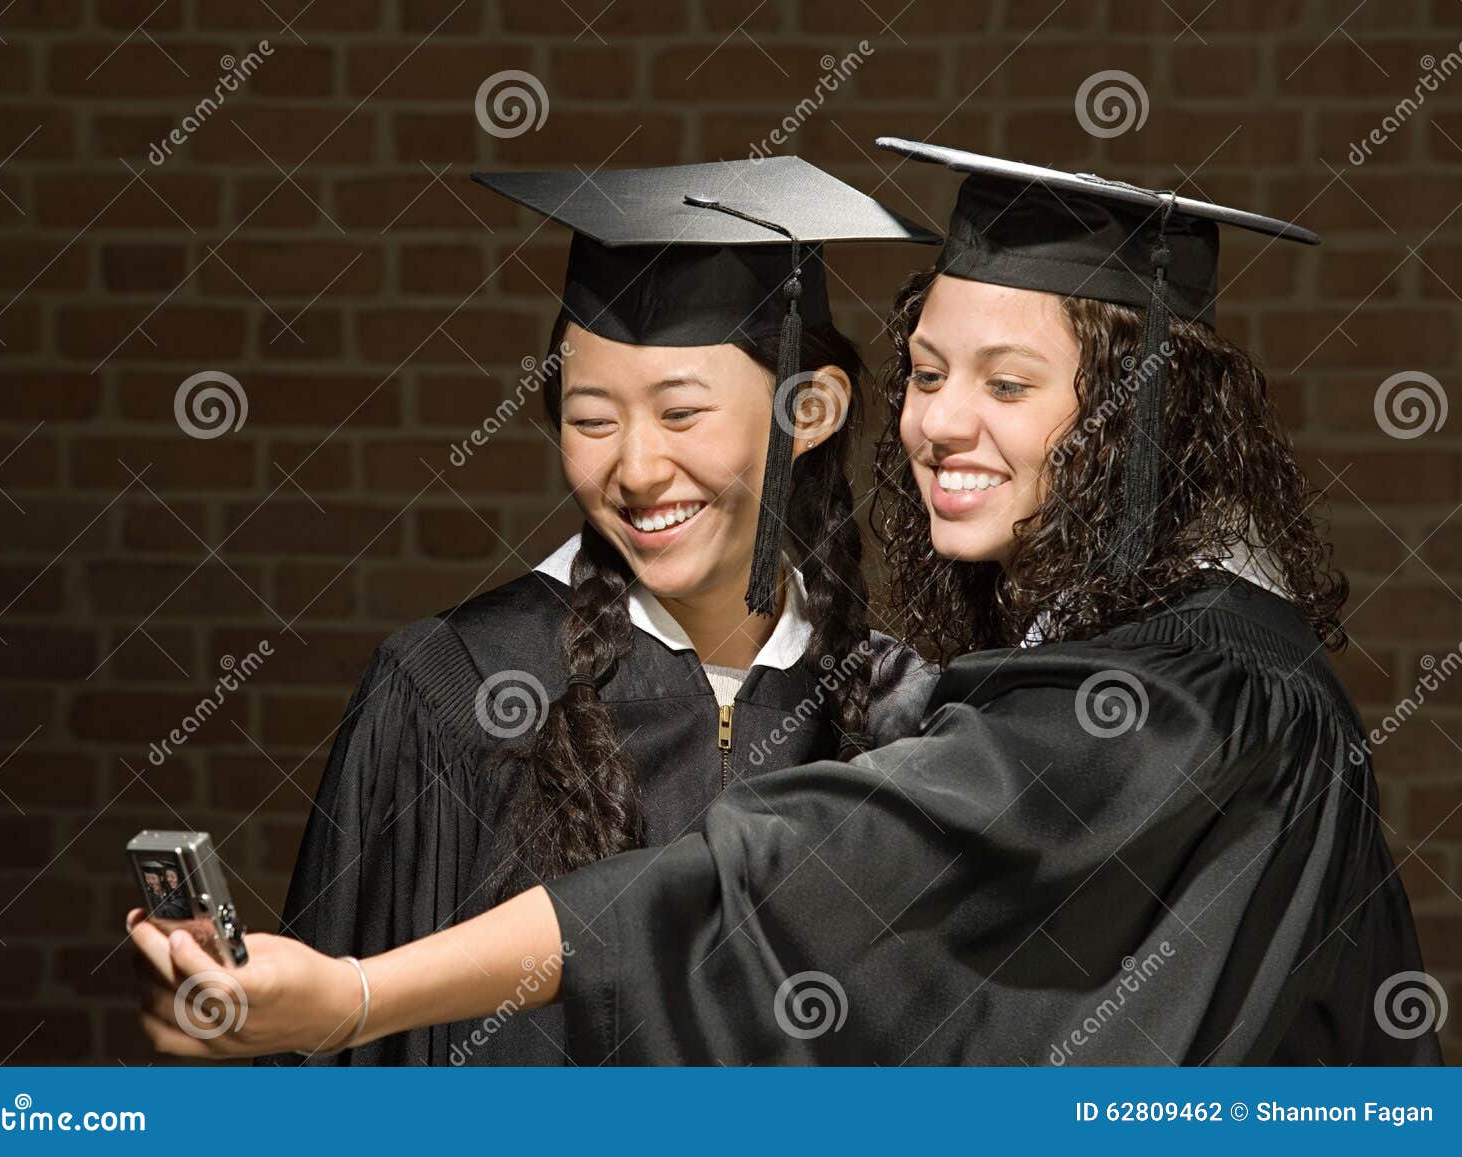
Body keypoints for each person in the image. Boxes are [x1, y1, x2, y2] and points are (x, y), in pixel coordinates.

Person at [130, 144, 1442, 1066]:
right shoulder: (444, 688)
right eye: (928, 372)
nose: (942, 423)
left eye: (1007, 383)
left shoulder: (1181, 694)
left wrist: (360, 993)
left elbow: (804, 875)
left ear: (1136, 419)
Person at [250, 157, 941, 1065]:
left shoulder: (899, 713)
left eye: (681, 412)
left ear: (808, 410)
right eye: (591, 418)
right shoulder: (457, 690)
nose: (638, 467)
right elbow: (348, 1072)